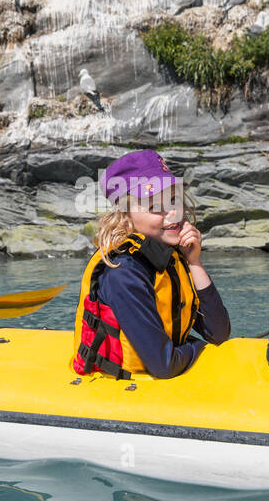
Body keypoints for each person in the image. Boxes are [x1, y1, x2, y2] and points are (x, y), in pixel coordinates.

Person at [72, 150, 231, 379]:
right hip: (123, 389)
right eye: (156, 206)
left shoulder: (170, 256)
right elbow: (165, 364)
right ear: (126, 215)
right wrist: (202, 348)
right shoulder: (123, 273)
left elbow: (219, 332)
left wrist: (194, 262)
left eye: (174, 199)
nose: (173, 213)